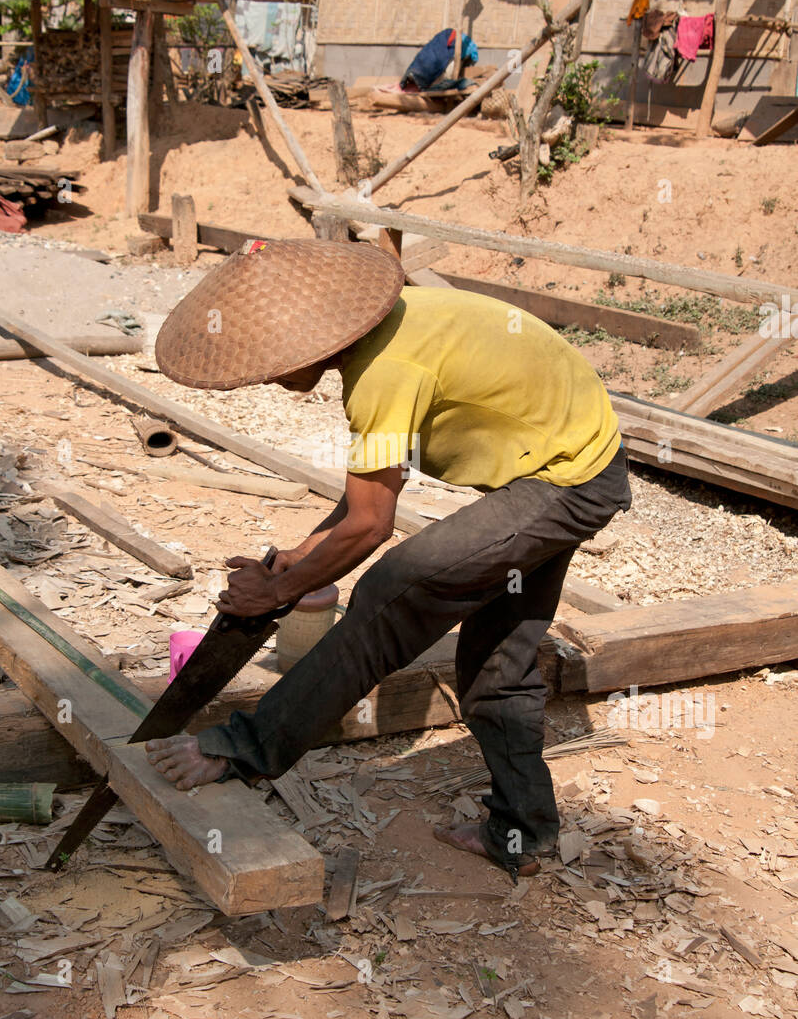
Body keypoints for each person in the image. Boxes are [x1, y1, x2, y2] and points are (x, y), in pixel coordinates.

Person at [146, 238, 631, 881]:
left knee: (390, 594)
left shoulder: (384, 376)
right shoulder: (400, 326)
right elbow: (358, 509)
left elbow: (371, 526)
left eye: (269, 361)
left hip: (563, 481)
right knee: (498, 662)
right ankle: (522, 832)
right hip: (573, 462)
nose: (264, 374)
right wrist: (295, 562)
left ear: (312, 339)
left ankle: (244, 750)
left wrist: (272, 595)